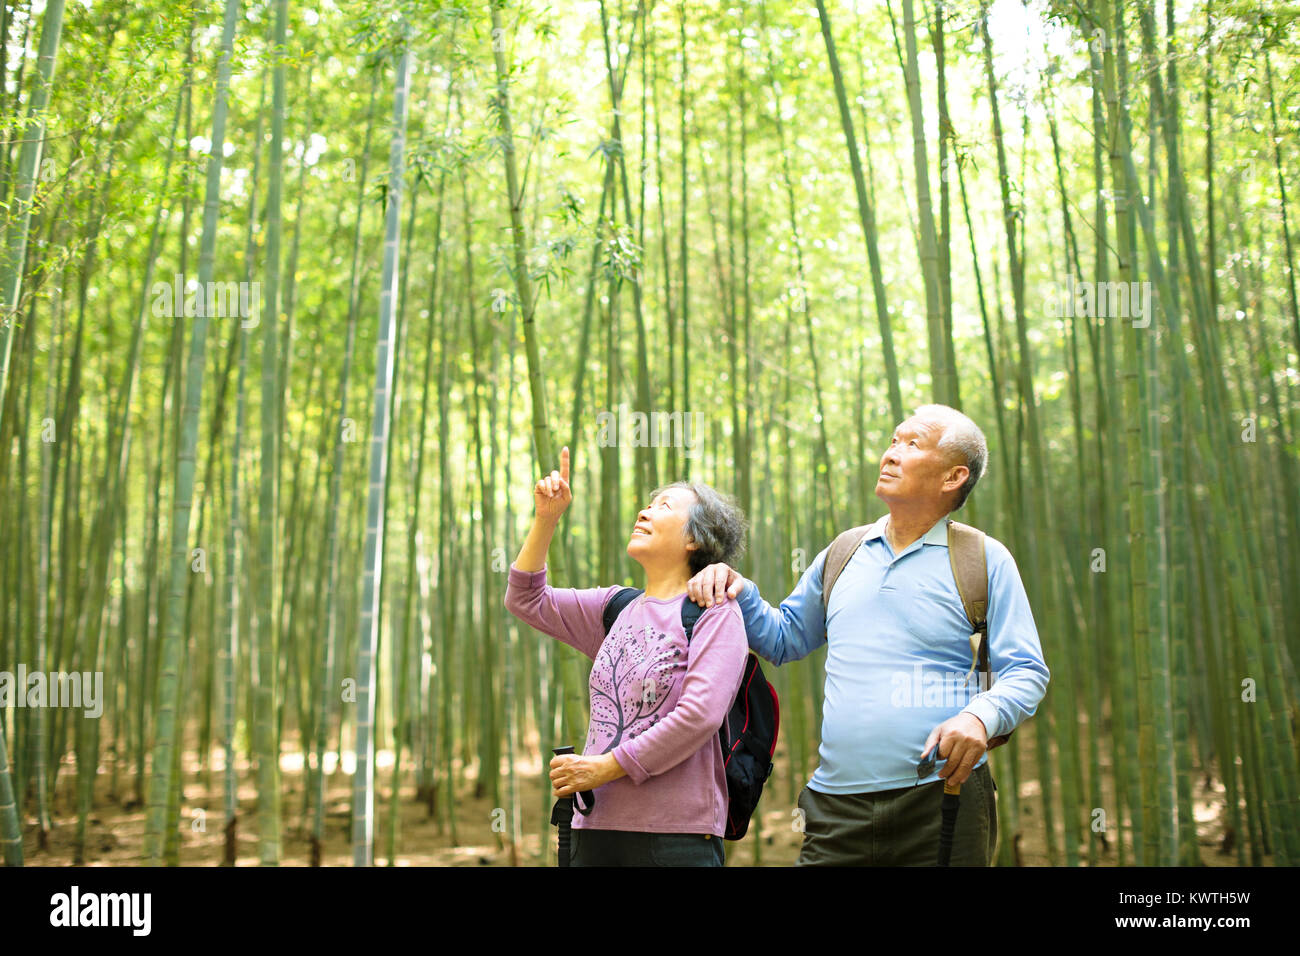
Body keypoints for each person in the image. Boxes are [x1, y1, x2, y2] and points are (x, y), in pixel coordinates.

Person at [687, 404, 1050, 865]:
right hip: (836, 807)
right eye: (893, 441)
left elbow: (1027, 672)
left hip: (942, 797)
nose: (891, 453)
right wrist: (738, 589)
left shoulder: (983, 559)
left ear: (953, 477)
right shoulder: (844, 551)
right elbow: (785, 639)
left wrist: (979, 718)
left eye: (912, 444)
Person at [504, 446, 748, 866]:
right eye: (647, 505)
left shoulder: (715, 613)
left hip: (673, 837)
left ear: (694, 538)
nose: (644, 512)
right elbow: (525, 598)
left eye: (664, 506)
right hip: (594, 829)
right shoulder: (613, 608)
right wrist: (546, 519)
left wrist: (604, 768)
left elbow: (700, 715)